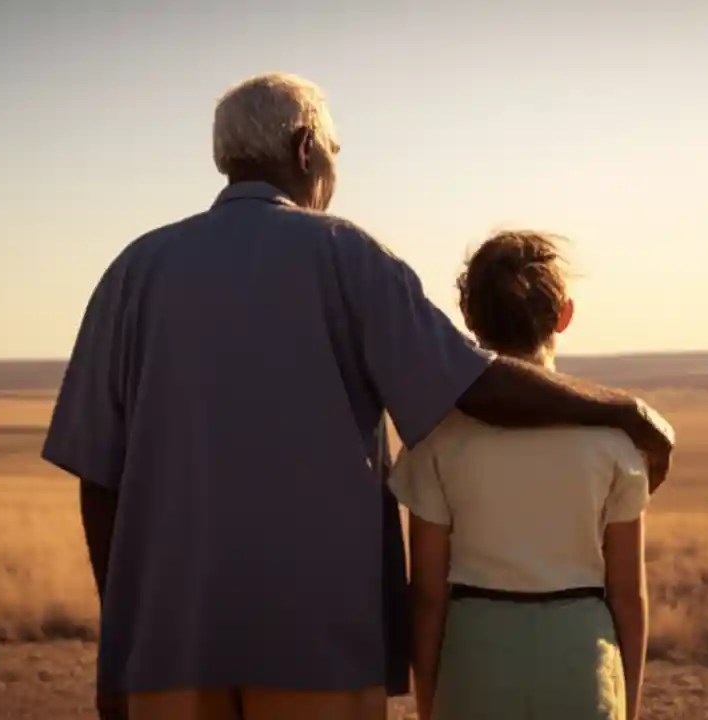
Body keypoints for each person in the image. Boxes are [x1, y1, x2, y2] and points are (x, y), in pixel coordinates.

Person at [42, 73, 673, 720]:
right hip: (319, 644)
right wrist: (623, 411)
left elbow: (100, 480)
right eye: (335, 151)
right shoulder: (347, 257)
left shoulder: (133, 272)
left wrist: (122, 649)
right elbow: (478, 384)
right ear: (306, 148)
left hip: (166, 650)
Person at [390, 231, 655, 720]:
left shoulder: (438, 437)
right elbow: (628, 597)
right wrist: (627, 702)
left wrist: (430, 702)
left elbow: (426, 596)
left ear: (468, 318)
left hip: (476, 659)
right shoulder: (614, 442)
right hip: (581, 659)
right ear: (564, 316)